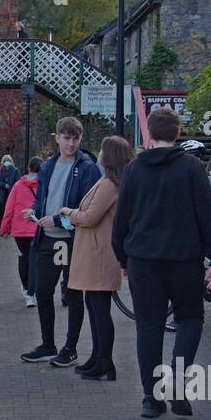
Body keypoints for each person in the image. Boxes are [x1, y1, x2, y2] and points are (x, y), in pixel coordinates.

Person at [113, 108, 211, 416]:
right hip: (184, 259)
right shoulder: (191, 168)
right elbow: (208, 215)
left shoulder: (134, 169)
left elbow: (121, 218)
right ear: (178, 133)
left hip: (143, 259)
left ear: (149, 133)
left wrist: (123, 257)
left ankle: (151, 398)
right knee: (191, 318)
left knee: (148, 326)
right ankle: (177, 378)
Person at [19, 116, 101, 367]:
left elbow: (85, 208)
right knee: (43, 291)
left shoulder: (87, 167)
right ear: (57, 138)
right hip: (47, 239)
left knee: (73, 294)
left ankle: (70, 347)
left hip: (71, 240)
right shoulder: (47, 166)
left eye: (75, 139)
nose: (71, 144)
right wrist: (33, 211)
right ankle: (48, 344)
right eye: (66, 138)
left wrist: (55, 218)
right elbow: (42, 197)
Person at [62, 135, 134, 381]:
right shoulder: (108, 181)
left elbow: (90, 217)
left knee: (99, 309)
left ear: (109, 155)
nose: (99, 152)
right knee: (94, 307)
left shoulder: (109, 185)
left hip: (100, 253)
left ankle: (105, 361)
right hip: (96, 252)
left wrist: (70, 212)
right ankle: (97, 357)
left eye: (102, 149)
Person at [0, 158, 41, 307]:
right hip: (37, 228)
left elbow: (9, 209)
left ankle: (26, 289)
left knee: (25, 257)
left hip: (19, 230)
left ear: (28, 168)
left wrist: (4, 229)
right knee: (34, 259)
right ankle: (32, 292)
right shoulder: (44, 185)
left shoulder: (18, 185)